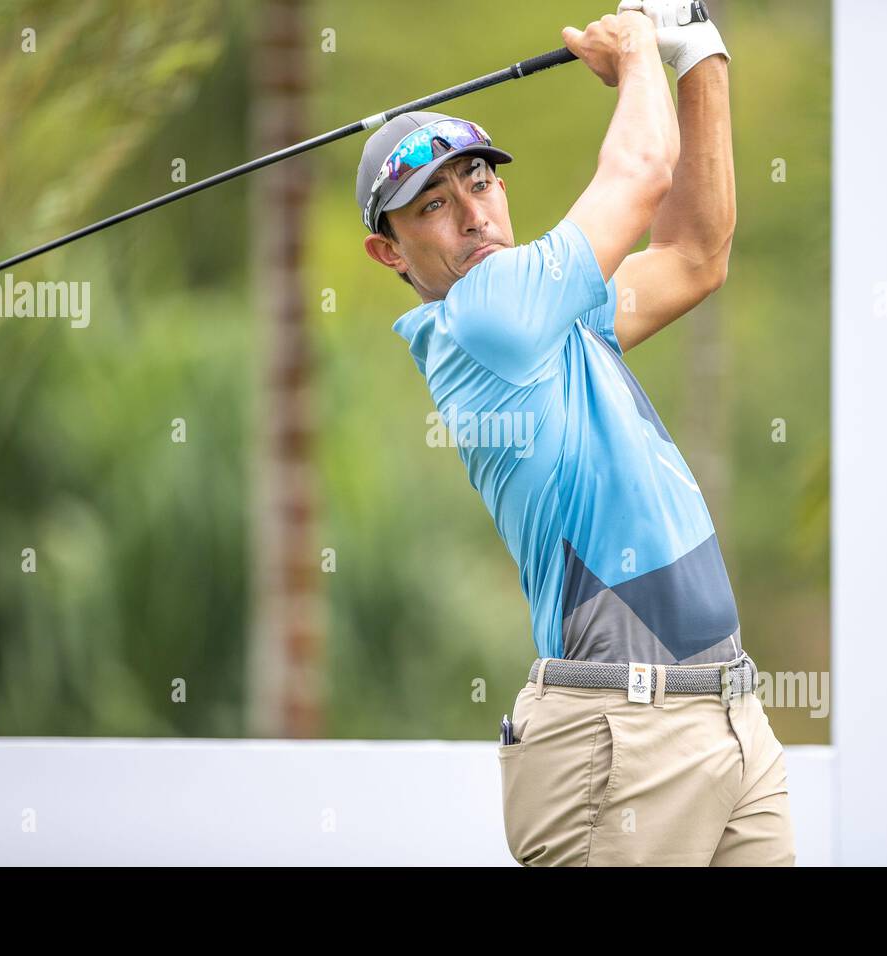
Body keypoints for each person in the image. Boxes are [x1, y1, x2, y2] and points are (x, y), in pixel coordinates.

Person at [354, 2, 795, 866]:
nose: (471, 215)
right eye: (432, 207)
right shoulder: (484, 320)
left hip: (729, 716)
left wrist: (697, 47)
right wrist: (640, 50)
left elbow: (698, 253)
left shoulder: (561, 319)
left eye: (479, 183)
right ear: (391, 255)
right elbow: (640, 170)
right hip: (614, 735)